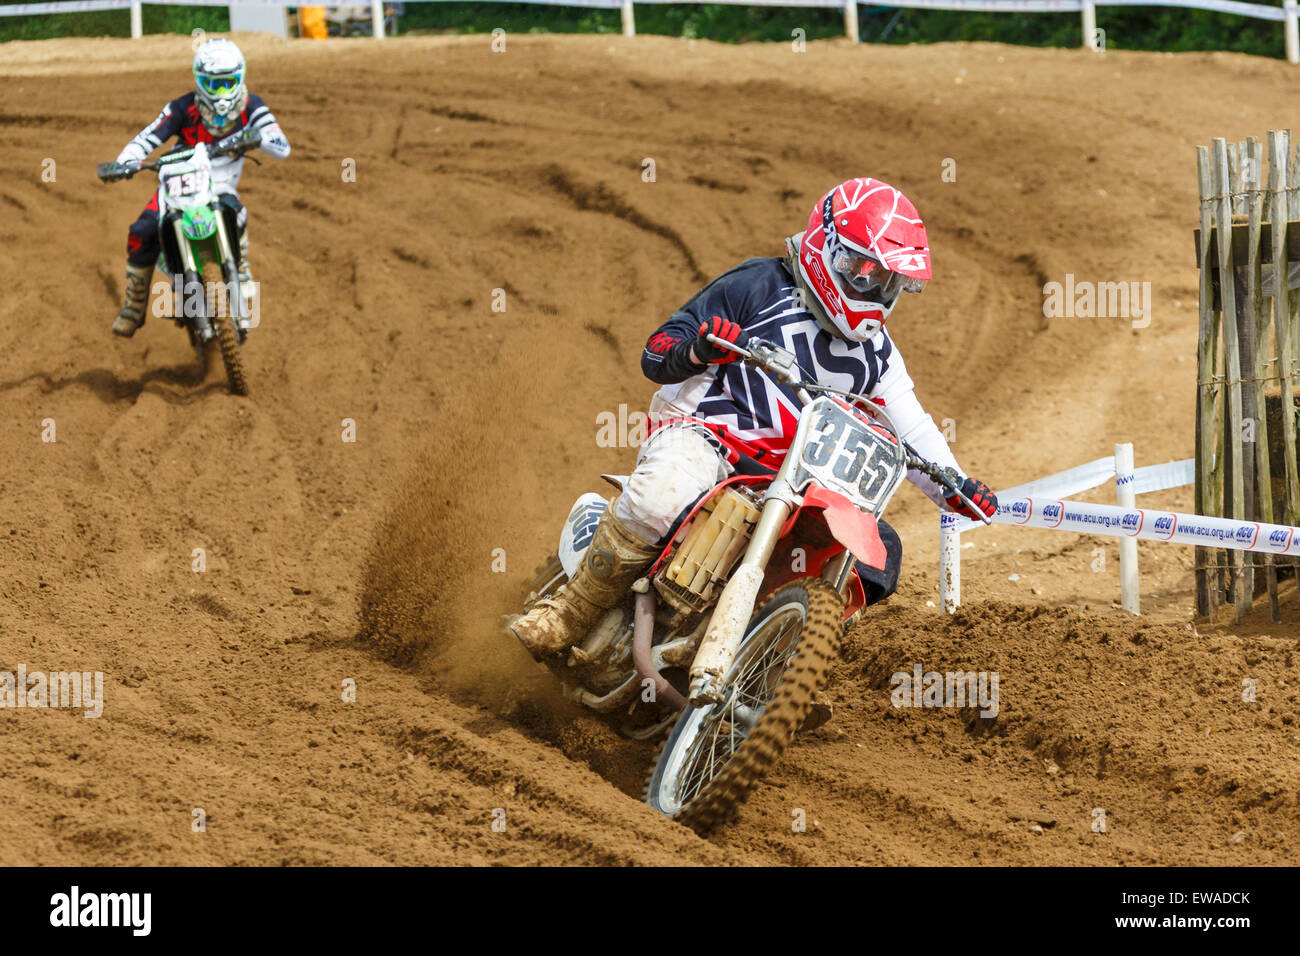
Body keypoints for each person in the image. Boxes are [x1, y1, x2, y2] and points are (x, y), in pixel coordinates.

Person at [511, 177, 997, 660]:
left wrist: (956, 486)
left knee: (875, 556)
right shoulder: (759, 286)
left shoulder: (879, 358)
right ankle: (568, 612)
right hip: (708, 439)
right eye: (865, 272)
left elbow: (912, 432)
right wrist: (697, 348)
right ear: (826, 248)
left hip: (789, 480)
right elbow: (656, 351)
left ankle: (783, 666)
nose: (875, 290)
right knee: (664, 495)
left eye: (892, 282)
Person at [111, 38, 290, 338]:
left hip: (220, 186)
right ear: (199, 81)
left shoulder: (251, 106)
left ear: (240, 78)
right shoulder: (183, 108)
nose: (221, 93)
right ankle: (135, 305)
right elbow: (148, 137)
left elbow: (281, 145)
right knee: (141, 231)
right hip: (179, 183)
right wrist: (126, 161)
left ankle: (240, 267)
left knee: (237, 213)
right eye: (213, 84)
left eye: (228, 83)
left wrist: (257, 138)